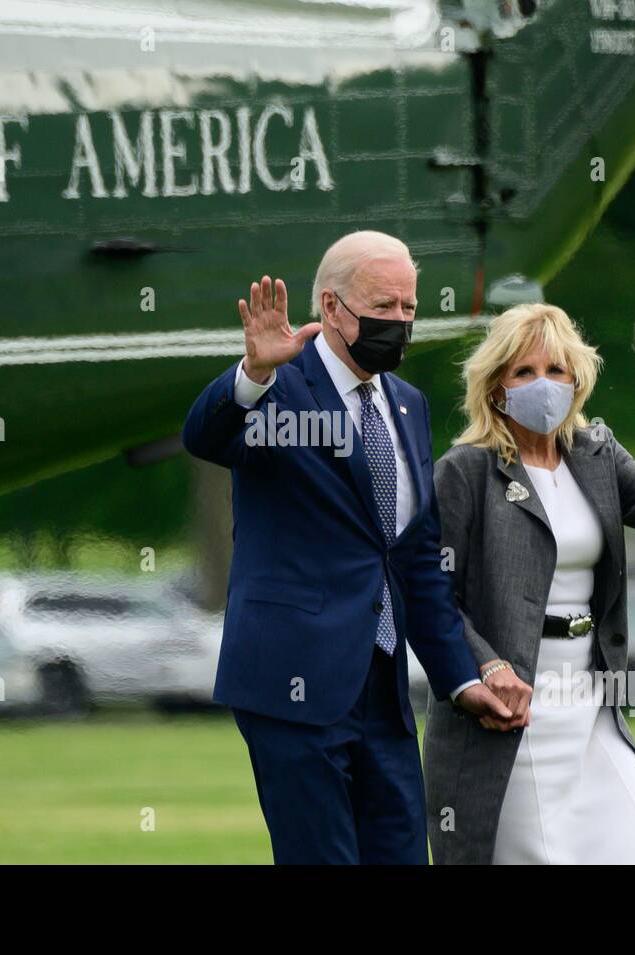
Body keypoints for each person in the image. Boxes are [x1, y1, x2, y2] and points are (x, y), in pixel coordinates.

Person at [182, 230, 516, 864]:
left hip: (383, 694)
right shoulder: (278, 389)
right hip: (292, 681)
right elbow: (205, 435)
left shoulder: (409, 407)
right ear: (332, 308)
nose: (399, 322)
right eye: (383, 306)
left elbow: (415, 561)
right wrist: (253, 371)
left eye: (409, 308)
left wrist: (461, 676)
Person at [423, 303, 635, 864]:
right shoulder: (465, 470)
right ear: (496, 388)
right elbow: (432, 594)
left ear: (577, 378)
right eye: (524, 372)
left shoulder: (595, 452)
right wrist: (486, 666)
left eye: (557, 370)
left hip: (589, 704)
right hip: (513, 712)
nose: (544, 384)